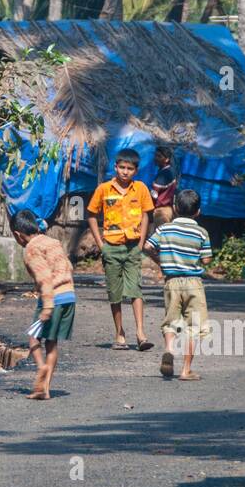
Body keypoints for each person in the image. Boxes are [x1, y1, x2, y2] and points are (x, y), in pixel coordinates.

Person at [88, 148, 154, 350]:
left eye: (130, 169)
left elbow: (146, 215)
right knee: (115, 292)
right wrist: (101, 245)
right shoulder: (104, 189)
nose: (125, 172)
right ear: (115, 167)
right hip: (112, 248)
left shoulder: (141, 189)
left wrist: (141, 242)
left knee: (135, 289)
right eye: (122, 167)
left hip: (133, 247)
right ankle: (119, 333)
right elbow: (91, 214)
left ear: (136, 170)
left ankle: (141, 333)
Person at [144, 189, 213, 381]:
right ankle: (186, 370)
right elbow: (206, 260)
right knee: (194, 326)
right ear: (198, 212)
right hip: (193, 283)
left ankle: (169, 349)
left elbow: (147, 247)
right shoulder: (201, 232)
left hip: (171, 282)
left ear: (174, 208)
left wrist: (160, 261)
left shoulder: (164, 229)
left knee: (171, 321)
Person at [11, 210, 75, 400]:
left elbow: (44, 277)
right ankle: (44, 389)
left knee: (33, 337)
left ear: (17, 234)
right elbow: (69, 266)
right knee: (52, 343)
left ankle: (42, 367)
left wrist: (47, 306)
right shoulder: (53, 242)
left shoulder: (31, 249)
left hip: (52, 298)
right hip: (69, 295)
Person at [149, 146, 178, 234]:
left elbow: (154, 195)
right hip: (168, 209)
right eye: (155, 155)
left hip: (161, 212)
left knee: (159, 237)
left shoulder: (164, 174)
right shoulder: (171, 170)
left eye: (159, 156)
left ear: (166, 159)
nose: (155, 158)